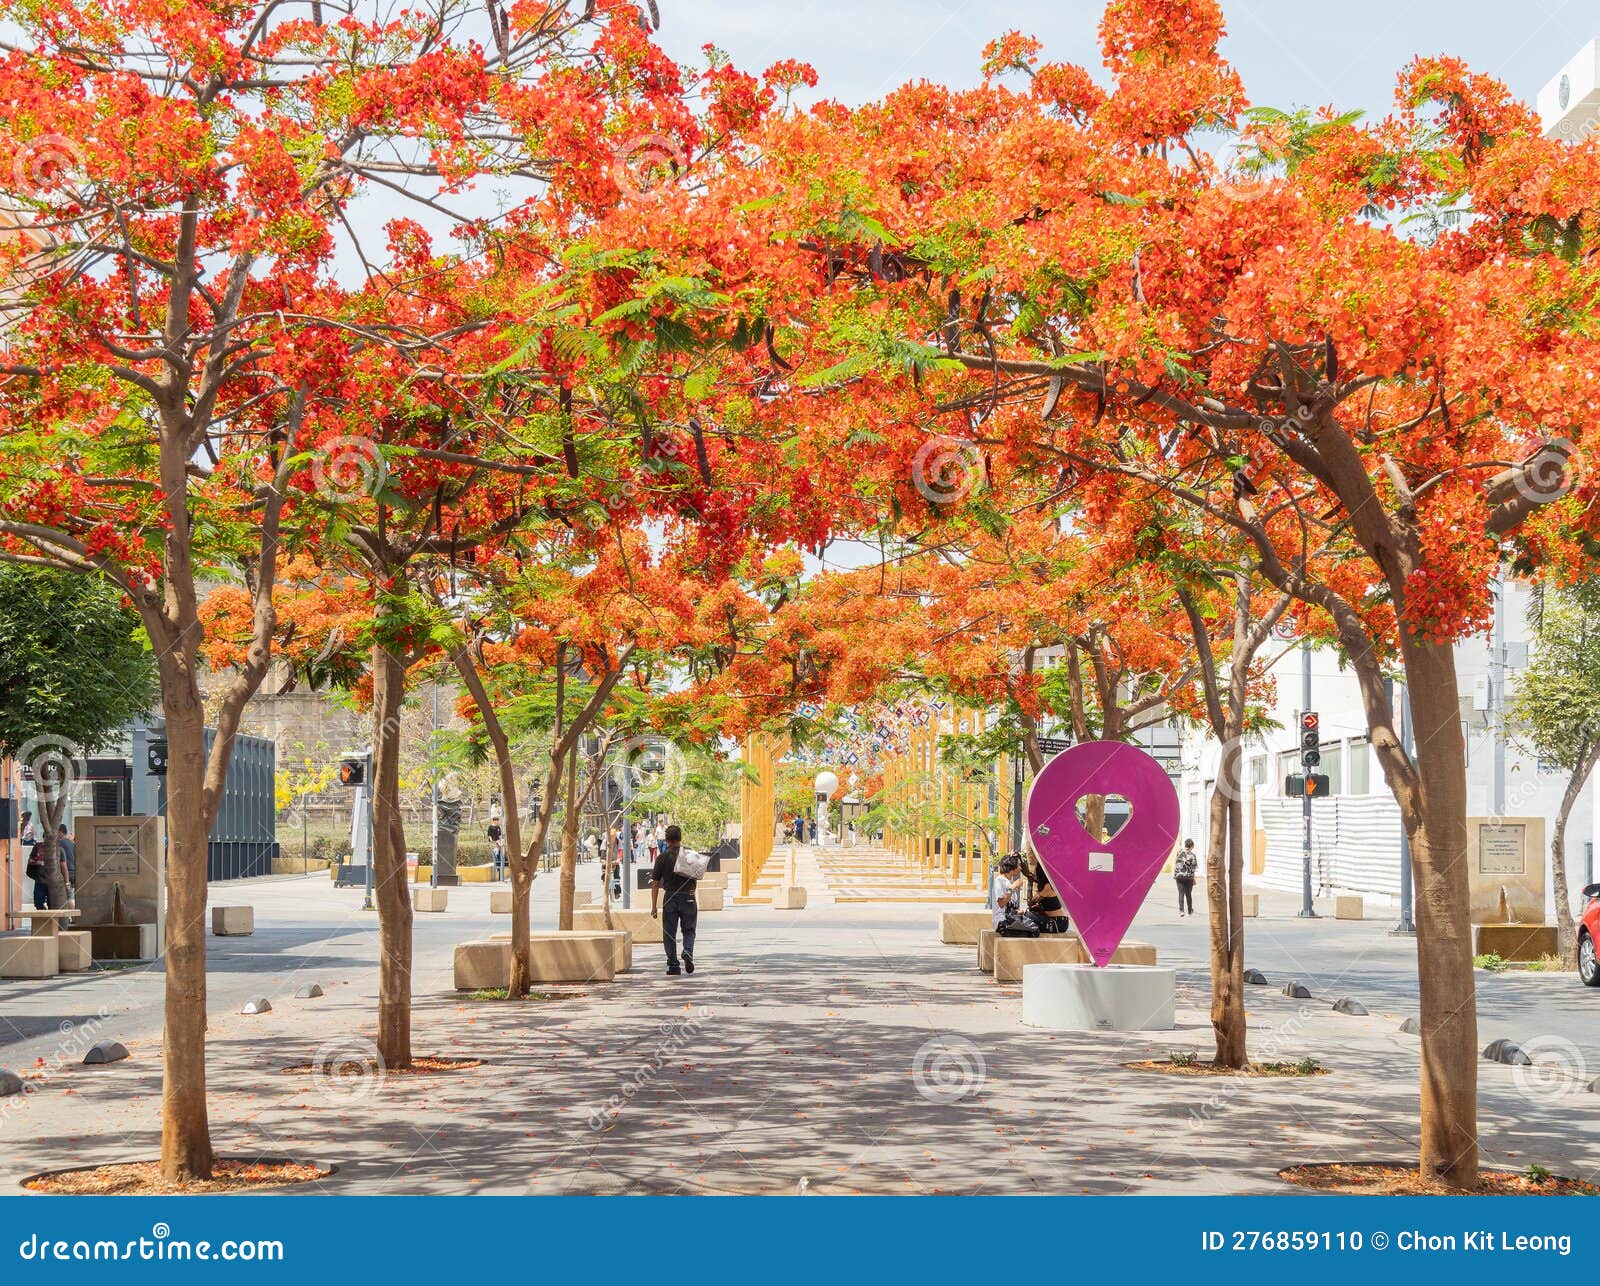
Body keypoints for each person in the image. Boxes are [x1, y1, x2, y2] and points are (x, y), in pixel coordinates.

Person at [650, 823, 699, 976]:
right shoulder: (689, 854)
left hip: (670, 896)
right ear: (680, 838)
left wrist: (653, 906)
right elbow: (697, 875)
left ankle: (673, 966)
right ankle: (687, 950)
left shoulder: (662, 858)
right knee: (689, 930)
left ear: (666, 839)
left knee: (669, 933)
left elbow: (656, 884)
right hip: (689, 895)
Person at [1026, 854, 1071, 933]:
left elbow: (1030, 902)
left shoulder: (1048, 888)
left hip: (1058, 923)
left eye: (1036, 873)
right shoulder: (1050, 884)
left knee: (1027, 915)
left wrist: (1030, 883)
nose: (1034, 874)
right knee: (1032, 914)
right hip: (1056, 920)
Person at [990, 854, 1024, 929]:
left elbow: (1010, 908)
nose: (1020, 868)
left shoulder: (1009, 882)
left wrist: (1018, 912)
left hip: (1011, 920)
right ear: (1012, 867)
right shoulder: (999, 881)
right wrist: (1012, 888)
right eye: (1019, 865)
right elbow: (1001, 903)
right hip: (1002, 922)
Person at [1174, 839, 1199, 917]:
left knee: (1181, 894)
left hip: (1179, 877)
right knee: (1188, 894)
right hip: (1188, 877)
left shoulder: (1179, 852)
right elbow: (1193, 868)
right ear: (1192, 846)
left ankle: (1181, 911)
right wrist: (1193, 878)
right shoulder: (1193, 856)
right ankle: (1189, 911)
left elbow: (1177, 863)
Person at [486, 814, 505, 879]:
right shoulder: (490, 827)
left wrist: (501, 840)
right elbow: (489, 835)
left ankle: (500, 860)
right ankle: (498, 861)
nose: (497, 822)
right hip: (493, 840)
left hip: (497, 840)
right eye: (496, 820)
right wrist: (491, 841)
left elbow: (499, 835)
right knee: (497, 849)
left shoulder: (498, 827)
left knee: (500, 848)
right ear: (493, 821)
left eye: (498, 821)